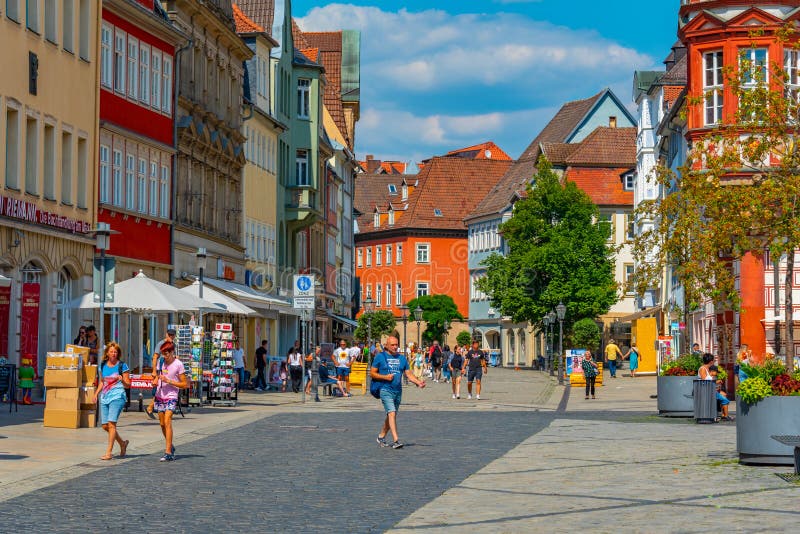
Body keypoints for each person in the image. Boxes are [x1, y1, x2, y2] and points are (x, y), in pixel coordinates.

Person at [371, 336, 425, 449]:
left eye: (397, 344)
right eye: (393, 345)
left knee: (391, 415)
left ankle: (381, 436)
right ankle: (396, 440)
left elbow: (408, 374)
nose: (395, 347)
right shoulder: (380, 357)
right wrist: (385, 377)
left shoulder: (402, 358)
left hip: (398, 391)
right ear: (386, 345)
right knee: (392, 413)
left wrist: (418, 382)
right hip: (385, 389)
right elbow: (372, 373)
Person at [94, 342, 130, 460]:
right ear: (107, 353)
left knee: (111, 424)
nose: (113, 353)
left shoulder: (122, 366)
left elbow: (128, 384)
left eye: (115, 352)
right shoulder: (103, 365)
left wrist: (122, 380)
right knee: (105, 426)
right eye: (111, 351)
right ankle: (122, 443)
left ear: (118, 353)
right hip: (105, 397)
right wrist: (96, 394)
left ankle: (108, 453)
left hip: (118, 396)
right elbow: (102, 381)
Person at [152, 341, 187, 462]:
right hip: (160, 394)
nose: (164, 356)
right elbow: (158, 375)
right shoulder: (161, 362)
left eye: (166, 354)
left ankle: (168, 452)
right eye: (163, 354)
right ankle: (170, 445)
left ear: (172, 352)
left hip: (172, 395)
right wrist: (155, 380)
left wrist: (169, 381)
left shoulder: (178, 364)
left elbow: (184, 384)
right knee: (162, 424)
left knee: (167, 421)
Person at [145, 328, 177, 418]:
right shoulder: (161, 344)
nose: (171, 337)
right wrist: (154, 371)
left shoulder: (174, 344)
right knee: (159, 388)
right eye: (169, 335)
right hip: (161, 368)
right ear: (166, 334)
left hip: (169, 369)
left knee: (164, 389)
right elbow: (155, 357)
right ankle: (152, 407)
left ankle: (152, 407)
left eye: (172, 335)